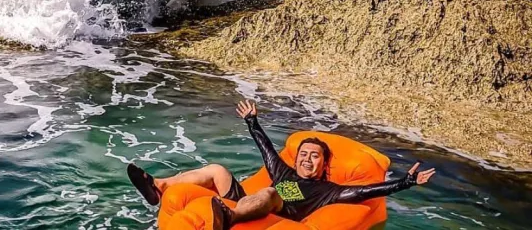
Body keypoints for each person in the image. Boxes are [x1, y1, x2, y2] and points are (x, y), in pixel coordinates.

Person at [127, 100, 436, 230]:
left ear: (323, 164)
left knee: (272, 194)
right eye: (303, 153)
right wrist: (252, 121)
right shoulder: (284, 172)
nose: (307, 158)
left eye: (314, 155)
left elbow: (366, 191)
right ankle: (160, 188)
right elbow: (266, 151)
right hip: (247, 201)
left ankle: (229, 217)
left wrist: (406, 183)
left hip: (269, 209)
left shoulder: (328, 190)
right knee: (218, 171)